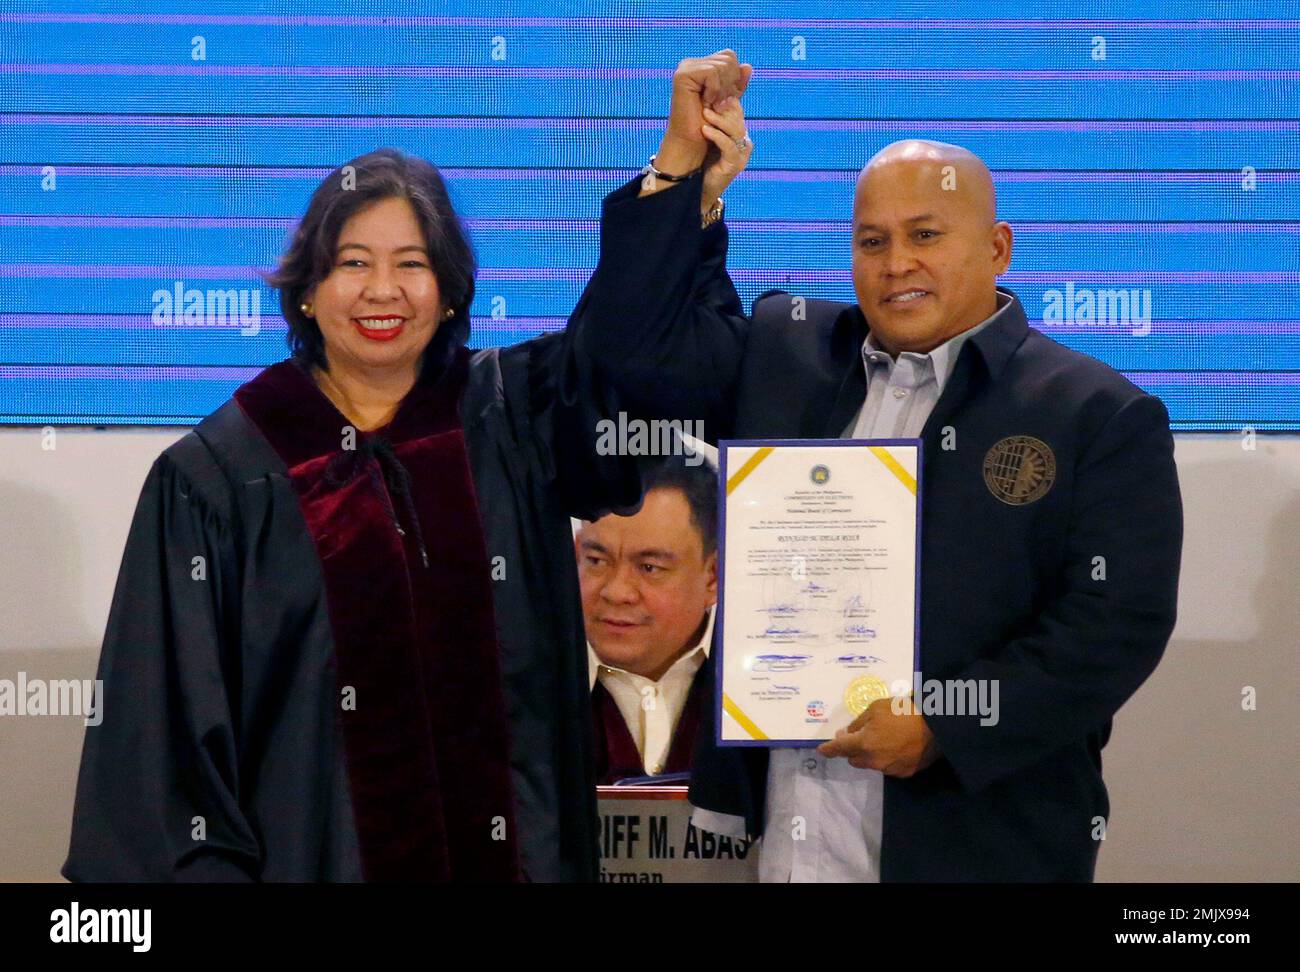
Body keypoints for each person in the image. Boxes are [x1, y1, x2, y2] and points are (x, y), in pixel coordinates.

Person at [62, 132, 750, 882]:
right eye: (353, 263)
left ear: (449, 289)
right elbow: (161, 767)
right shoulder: (217, 480)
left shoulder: (515, 419)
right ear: (305, 288)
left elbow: (634, 358)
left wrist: (682, 177)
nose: (382, 291)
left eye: (412, 265)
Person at [589, 53, 1184, 881]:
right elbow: (631, 349)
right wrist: (688, 176)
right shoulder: (786, 350)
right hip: (789, 837)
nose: (896, 262)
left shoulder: (1094, 412)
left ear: (999, 247)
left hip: (979, 847)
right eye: (872, 241)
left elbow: (1112, 628)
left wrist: (946, 723)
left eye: (926, 235)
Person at [576, 450, 718, 783]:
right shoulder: (518, 687)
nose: (617, 591)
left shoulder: (766, 695)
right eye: (597, 560)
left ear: (713, 576)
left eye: (649, 567)